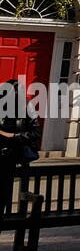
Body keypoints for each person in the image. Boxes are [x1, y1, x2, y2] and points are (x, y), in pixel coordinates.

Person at [0, 79, 39, 218]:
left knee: (3, 194)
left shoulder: (27, 107)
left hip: (9, 157)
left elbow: (35, 133)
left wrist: (13, 136)